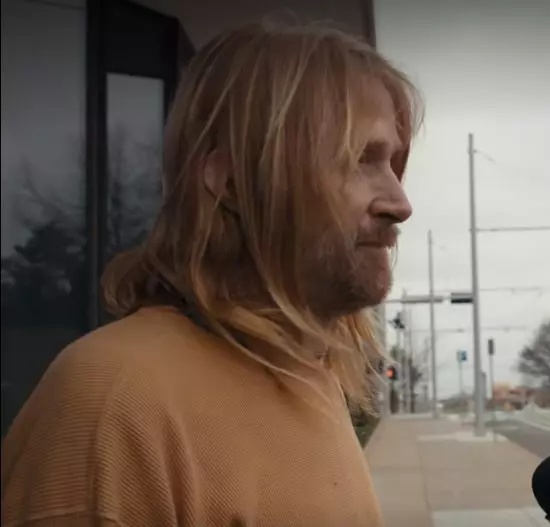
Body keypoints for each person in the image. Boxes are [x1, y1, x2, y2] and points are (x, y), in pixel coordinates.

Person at [1, 21, 418, 526]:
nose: (400, 203)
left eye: (394, 164)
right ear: (234, 185)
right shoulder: (116, 401)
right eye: (360, 159)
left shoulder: (311, 376)